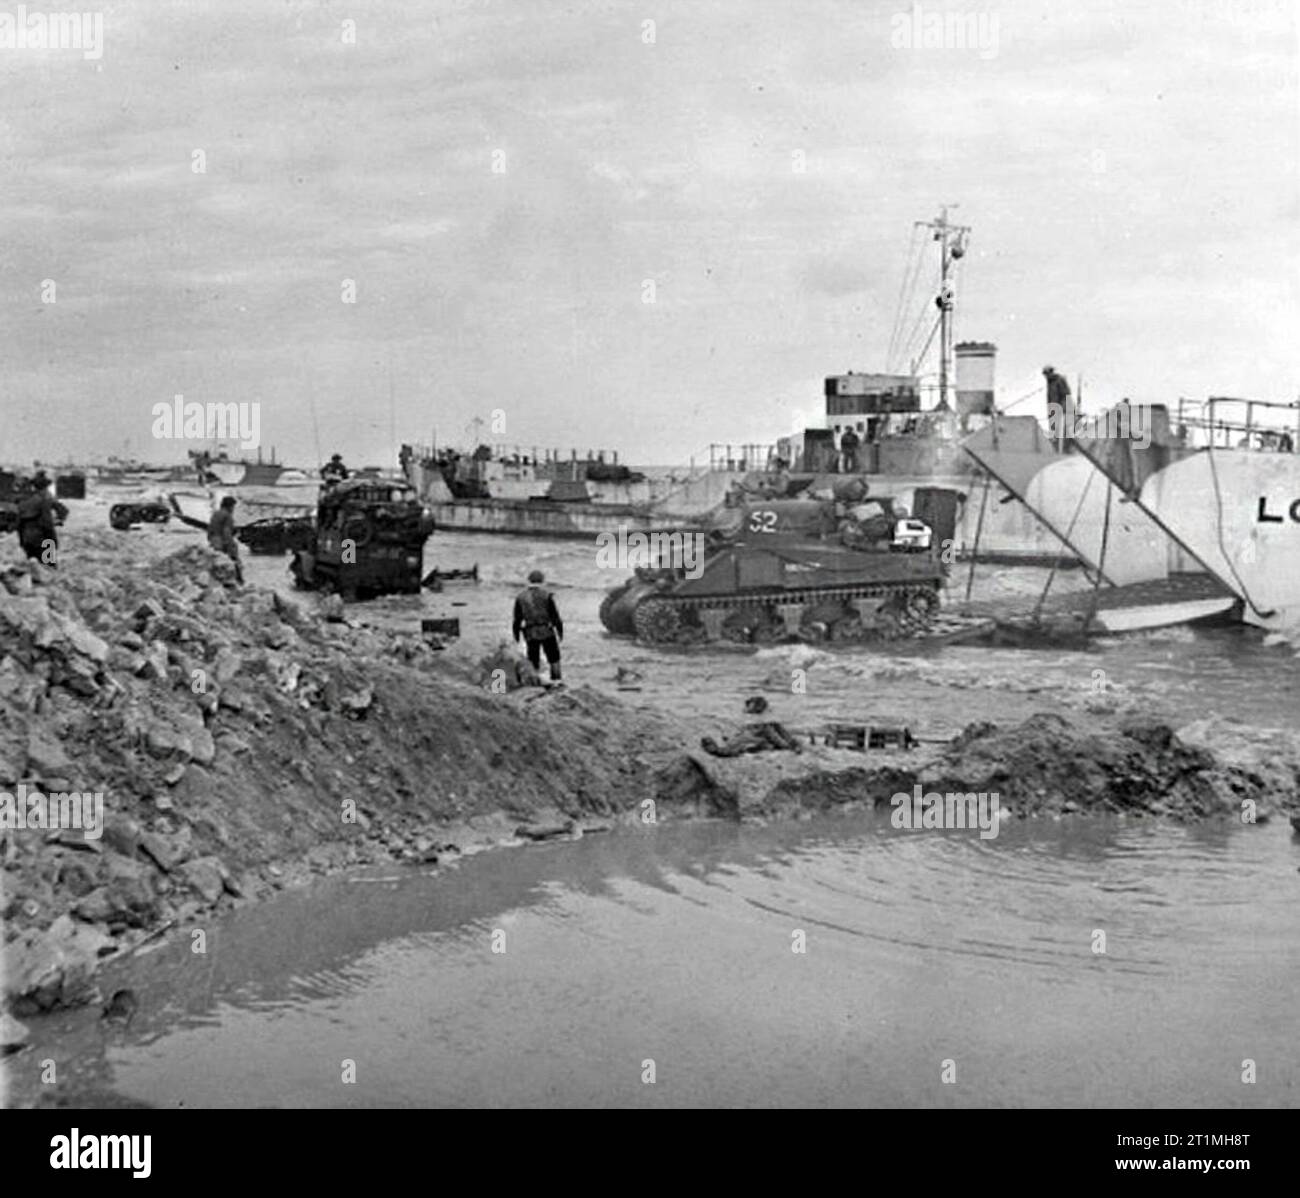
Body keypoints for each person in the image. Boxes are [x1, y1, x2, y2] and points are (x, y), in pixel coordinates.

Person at [512, 569, 563, 683]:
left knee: (533, 658)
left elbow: (517, 619)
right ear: (542, 580)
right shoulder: (547, 595)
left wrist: (516, 636)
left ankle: (534, 682)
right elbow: (555, 616)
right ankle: (557, 680)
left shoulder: (521, 597)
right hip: (546, 631)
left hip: (530, 632)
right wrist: (560, 631)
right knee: (554, 658)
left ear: (529, 580)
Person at [16, 472, 68, 566]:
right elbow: (47, 521)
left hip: (26, 537)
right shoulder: (45, 499)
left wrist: (22, 541)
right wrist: (52, 538)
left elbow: (18, 523)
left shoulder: (23, 501)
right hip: (41, 537)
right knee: (48, 566)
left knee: (33, 566)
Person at [207, 495, 244, 583]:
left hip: (213, 540)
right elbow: (226, 532)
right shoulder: (227, 516)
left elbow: (210, 529)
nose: (233, 509)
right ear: (230, 506)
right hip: (221, 541)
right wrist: (231, 545)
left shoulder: (216, 514)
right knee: (234, 561)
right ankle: (239, 581)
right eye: (233, 507)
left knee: (217, 563)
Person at [1043, 366, 1072, 441]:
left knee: (1062, 427)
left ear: (1051, 372)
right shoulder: (1049, 383)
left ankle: (1064, 441)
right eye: (1045, 374)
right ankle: (1054, 439)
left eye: (1047, 374)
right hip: (1053, 408)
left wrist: (1062, 407)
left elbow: (1066, 394)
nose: (1046, 376)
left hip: (1061, 407)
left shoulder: (1059, 380)